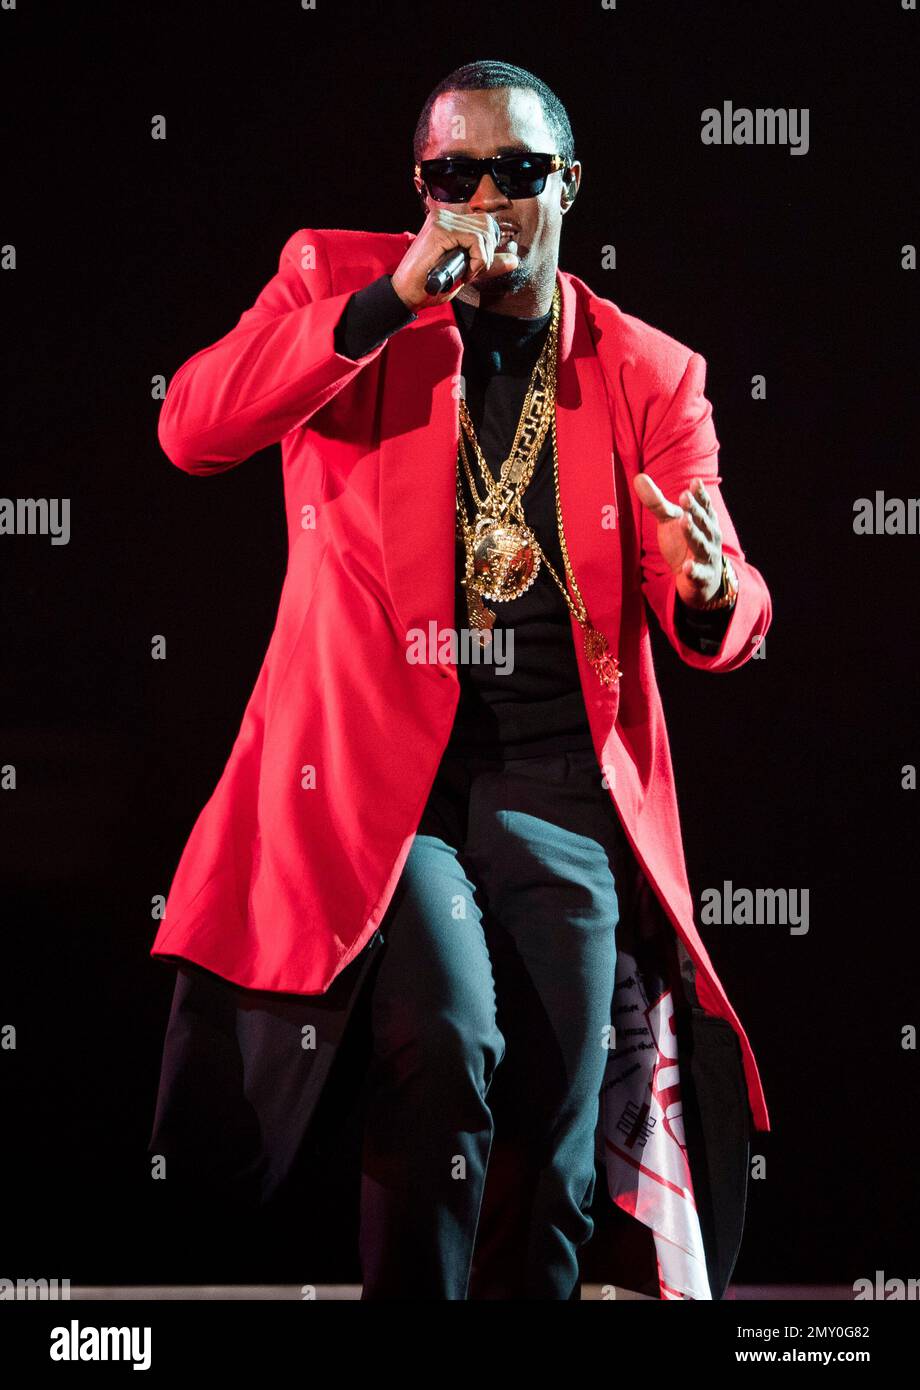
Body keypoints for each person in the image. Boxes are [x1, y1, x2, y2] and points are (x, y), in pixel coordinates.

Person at [148, 60, 772, 1301]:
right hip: (392, 789)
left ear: (568, 187)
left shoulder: (648, 370)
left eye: (519, 173)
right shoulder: (338, 283)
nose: (486, 200)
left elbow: (722, 587)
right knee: (442, 1042)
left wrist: (706, 591)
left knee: (554, 1123)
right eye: (454, 175)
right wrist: (382, 302)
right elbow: (192, 426)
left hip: (555, 786)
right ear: (420, 189)